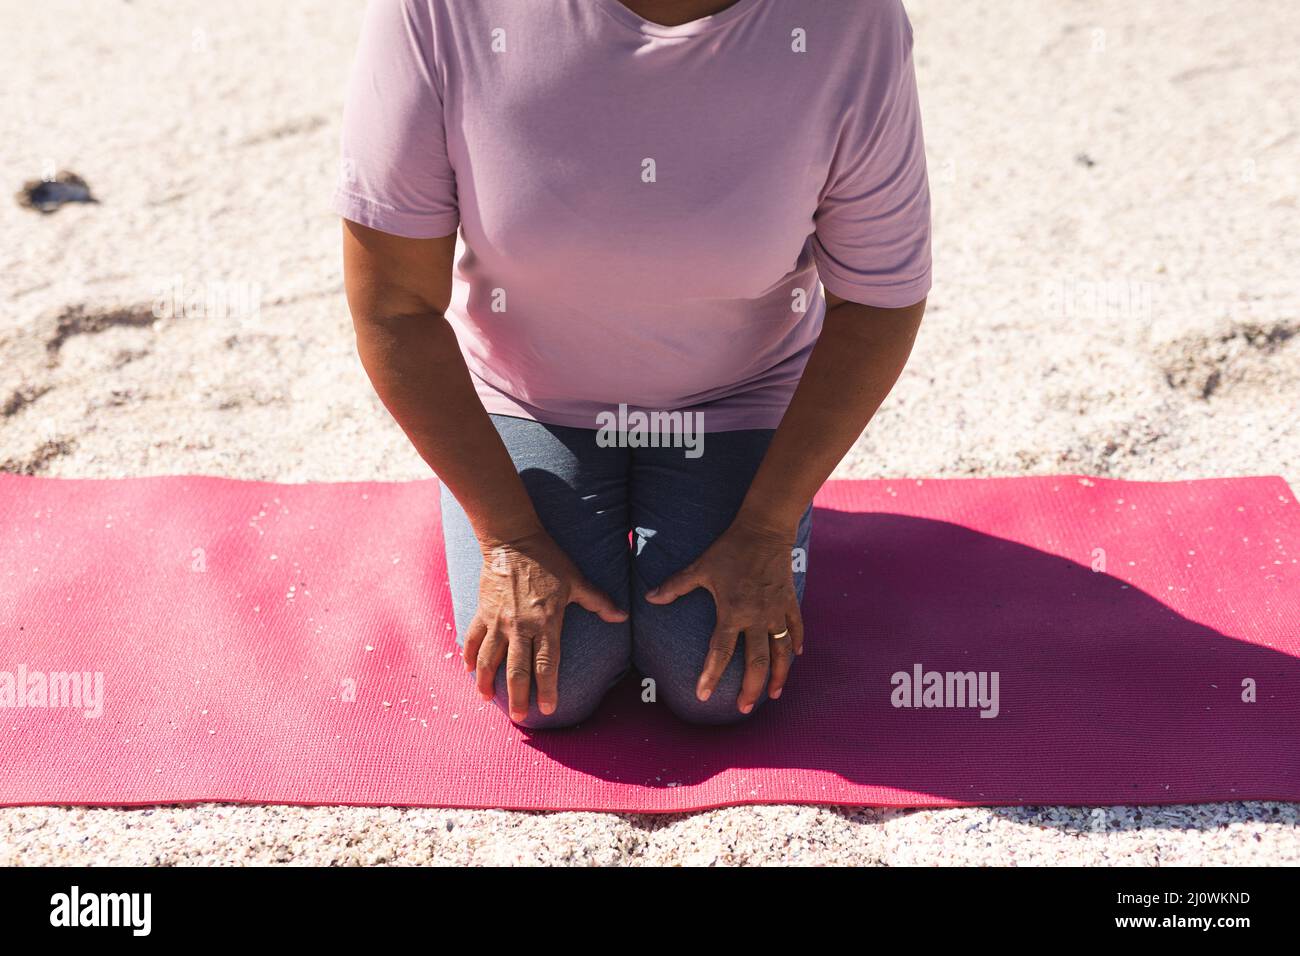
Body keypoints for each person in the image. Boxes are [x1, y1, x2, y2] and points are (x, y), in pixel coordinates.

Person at [333, 0, 931, 728]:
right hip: (532, 395)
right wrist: (508, 537)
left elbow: (878, 304)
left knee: (710, 679)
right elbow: (394, 305)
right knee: (557, 682)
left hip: (736, 395)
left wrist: (768, 526)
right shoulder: (437, 12)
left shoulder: (848, 21)